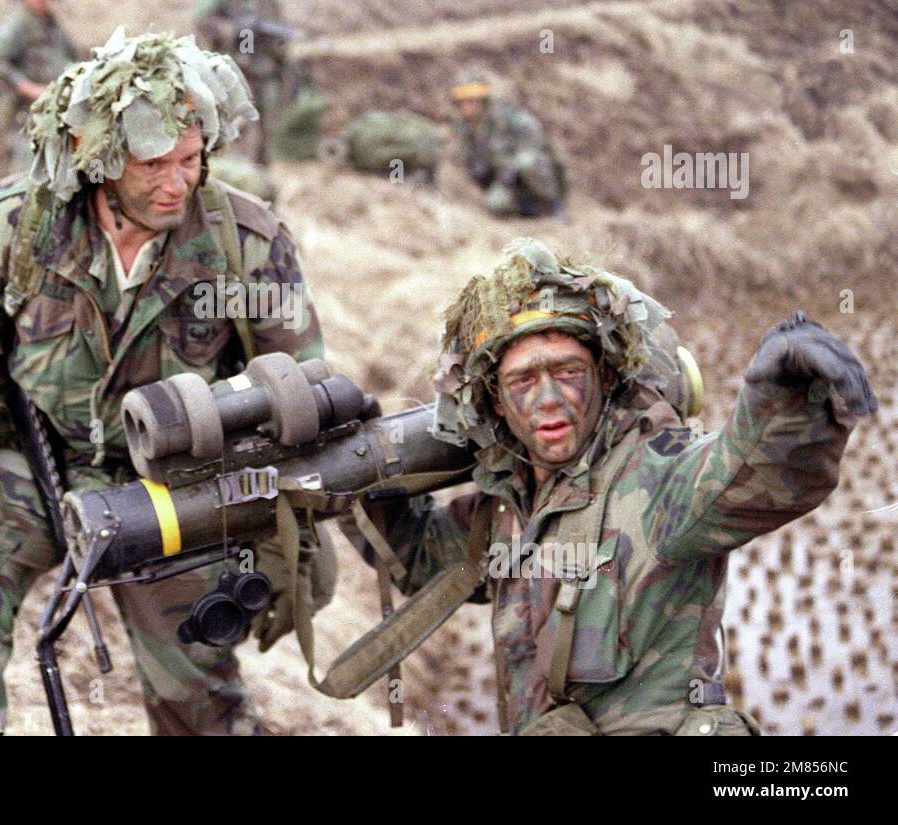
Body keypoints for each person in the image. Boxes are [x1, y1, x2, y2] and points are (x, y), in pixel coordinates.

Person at [0, 27, 334, 733]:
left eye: (191, 160)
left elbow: (298, 393)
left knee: (201, 699)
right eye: (153, 164)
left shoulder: (246, 242)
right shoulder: (11, 225)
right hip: (32, 467)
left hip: (176, 486)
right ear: (99, 159)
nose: (176, 182)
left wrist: (285, 529)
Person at [355, 238, 876, 735]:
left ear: (604, 375)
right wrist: (352, 475)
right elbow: (423, 558)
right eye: (523, 382)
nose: (548, 400)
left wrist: (784, 403)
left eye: (566, 371)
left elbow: (752, 475)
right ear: (493, 401)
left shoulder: (653, 476)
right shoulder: (510, 505)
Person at [192, 0, 291, 165]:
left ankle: (260, 188)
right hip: (231, 72)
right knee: (234, 137)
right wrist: (234, 30)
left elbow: (274, 24)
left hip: (262, 72)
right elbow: (202, 20)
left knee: (265, 140)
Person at [0, 0, 81, 173]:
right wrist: (28, 87)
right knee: (25, 173)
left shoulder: (52, 26)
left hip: (52, 110)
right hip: (24, 114)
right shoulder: (16, 25)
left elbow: (72, 58)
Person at [452, 71, 568, 219]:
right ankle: (532, 209)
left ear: (483, 100)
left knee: (528, 162)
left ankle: (553, 204)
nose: (467, 106)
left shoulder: (504, 117)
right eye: (463, 102)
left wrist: (514, 166)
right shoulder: (465, 130)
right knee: (494, 204)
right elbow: (468, 161)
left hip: (530, 171)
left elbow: (535, 139)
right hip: (506, 181)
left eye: (472, 101)